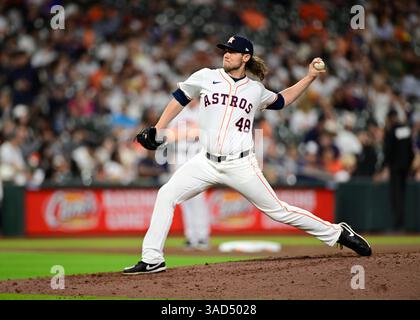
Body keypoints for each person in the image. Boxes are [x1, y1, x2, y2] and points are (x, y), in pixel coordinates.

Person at [124, 35, 372, 275]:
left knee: (278, 211)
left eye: (232, 51)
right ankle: (152, 259)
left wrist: (309, 77)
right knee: (166, 194)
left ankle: (337, 233)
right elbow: (179, 98)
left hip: (240, 163)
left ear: (246, 57)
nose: (226, 54)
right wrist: (158, 129)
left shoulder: (255, 89)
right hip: (205, 161)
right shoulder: (206, 76)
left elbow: (282, 100)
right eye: (225, 50)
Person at [167, 100, 211, 250]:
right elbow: (170, 137)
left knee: (199, 200)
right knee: (185, 201)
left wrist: (185, 133)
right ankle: (191, 237)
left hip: (198, 159)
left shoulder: (205, 110)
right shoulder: (179, 112)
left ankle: (203, 236)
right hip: (180, 161)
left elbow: (204, 133)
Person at [383, 109, 414, 232]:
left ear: (390, 118)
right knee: (401, 194)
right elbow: (411, 150)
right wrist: (409, 164)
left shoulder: (391, 130)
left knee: (395, 196)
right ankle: (401, 224)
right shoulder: (405, 129)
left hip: (395, 167)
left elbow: (388, 150)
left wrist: (384, 165)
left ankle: (398, 225)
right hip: (405, 167)